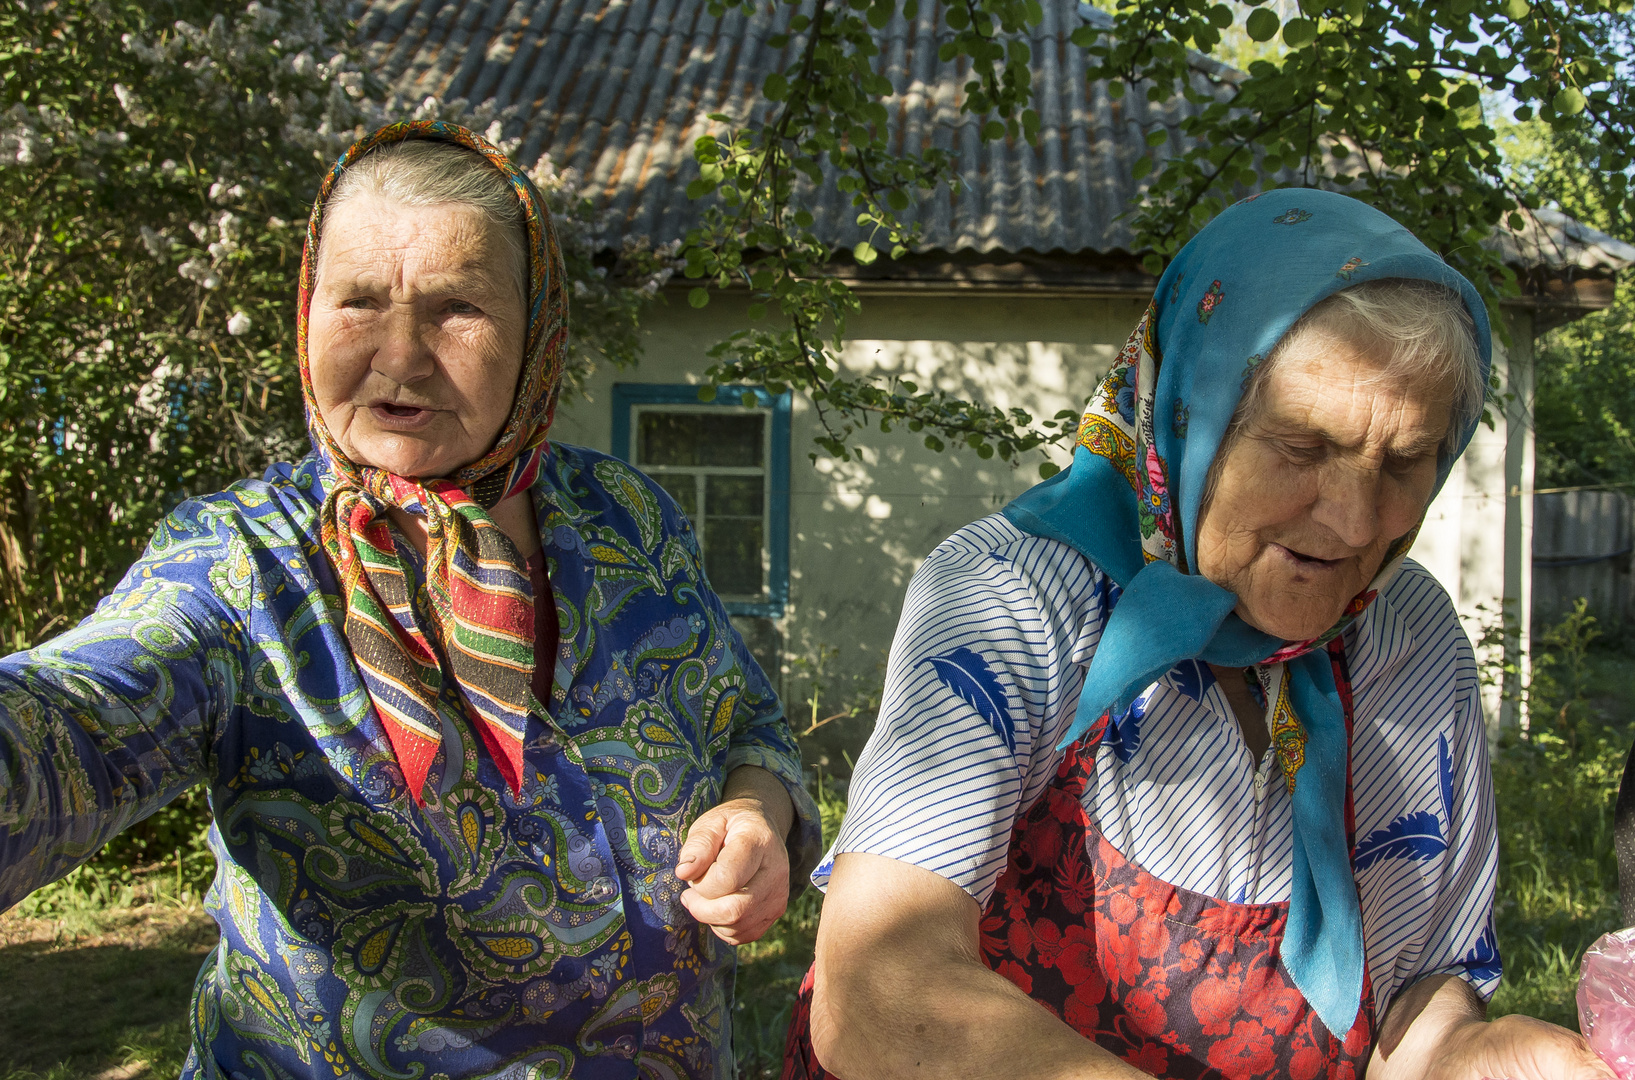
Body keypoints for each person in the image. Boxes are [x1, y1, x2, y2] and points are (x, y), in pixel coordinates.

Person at [0, 121, 818, 1080]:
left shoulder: (626, 517)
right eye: (356, 300)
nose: (400, 354)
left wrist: (755, 814)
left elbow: (744, 720)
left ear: (539, 327)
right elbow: (73, 722)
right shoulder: (242, 564)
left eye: (455, 307)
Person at [783, 189, 1612, 1079]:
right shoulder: (1012, 596)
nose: (1355, 519)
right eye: (1302, 447)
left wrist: (1465, 1055)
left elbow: (1419, 991)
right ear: (1190, 414)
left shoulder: (1409, 641)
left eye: (1405, 462)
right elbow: (879, 997)